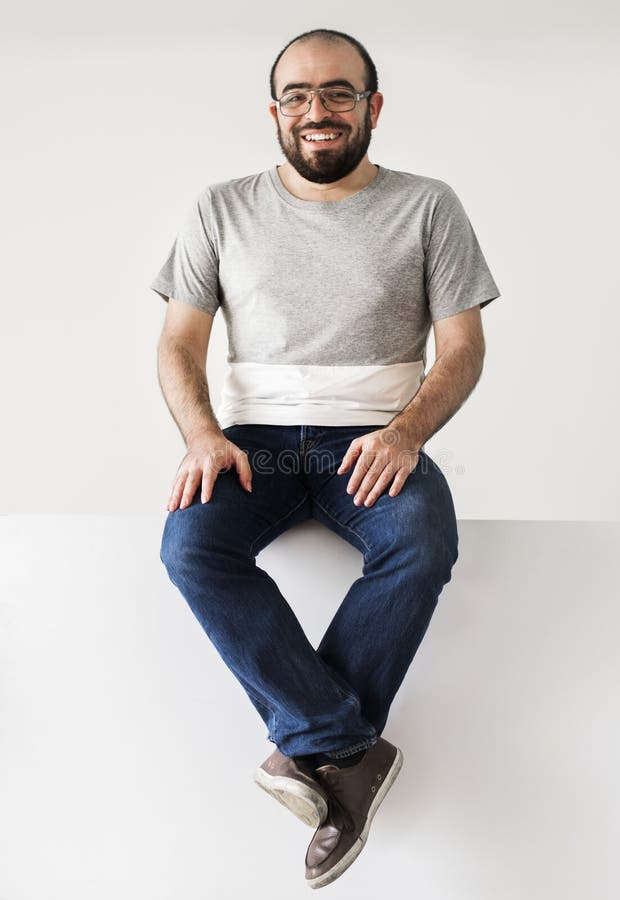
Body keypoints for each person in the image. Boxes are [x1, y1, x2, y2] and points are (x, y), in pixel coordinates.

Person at [150, 27, 501, 889]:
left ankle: (314, 752)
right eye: (299, 95)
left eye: (339, 93)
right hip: (254, 444)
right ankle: (345, 750)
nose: (319, 110)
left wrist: (406, 433)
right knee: (191, 548)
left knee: (421, 543)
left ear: (372, 107)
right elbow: (177, 343)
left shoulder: (429, 205)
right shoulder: (219, 207)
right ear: (276, 113)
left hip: (376, 439)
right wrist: (203, 435)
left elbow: (461, 349)